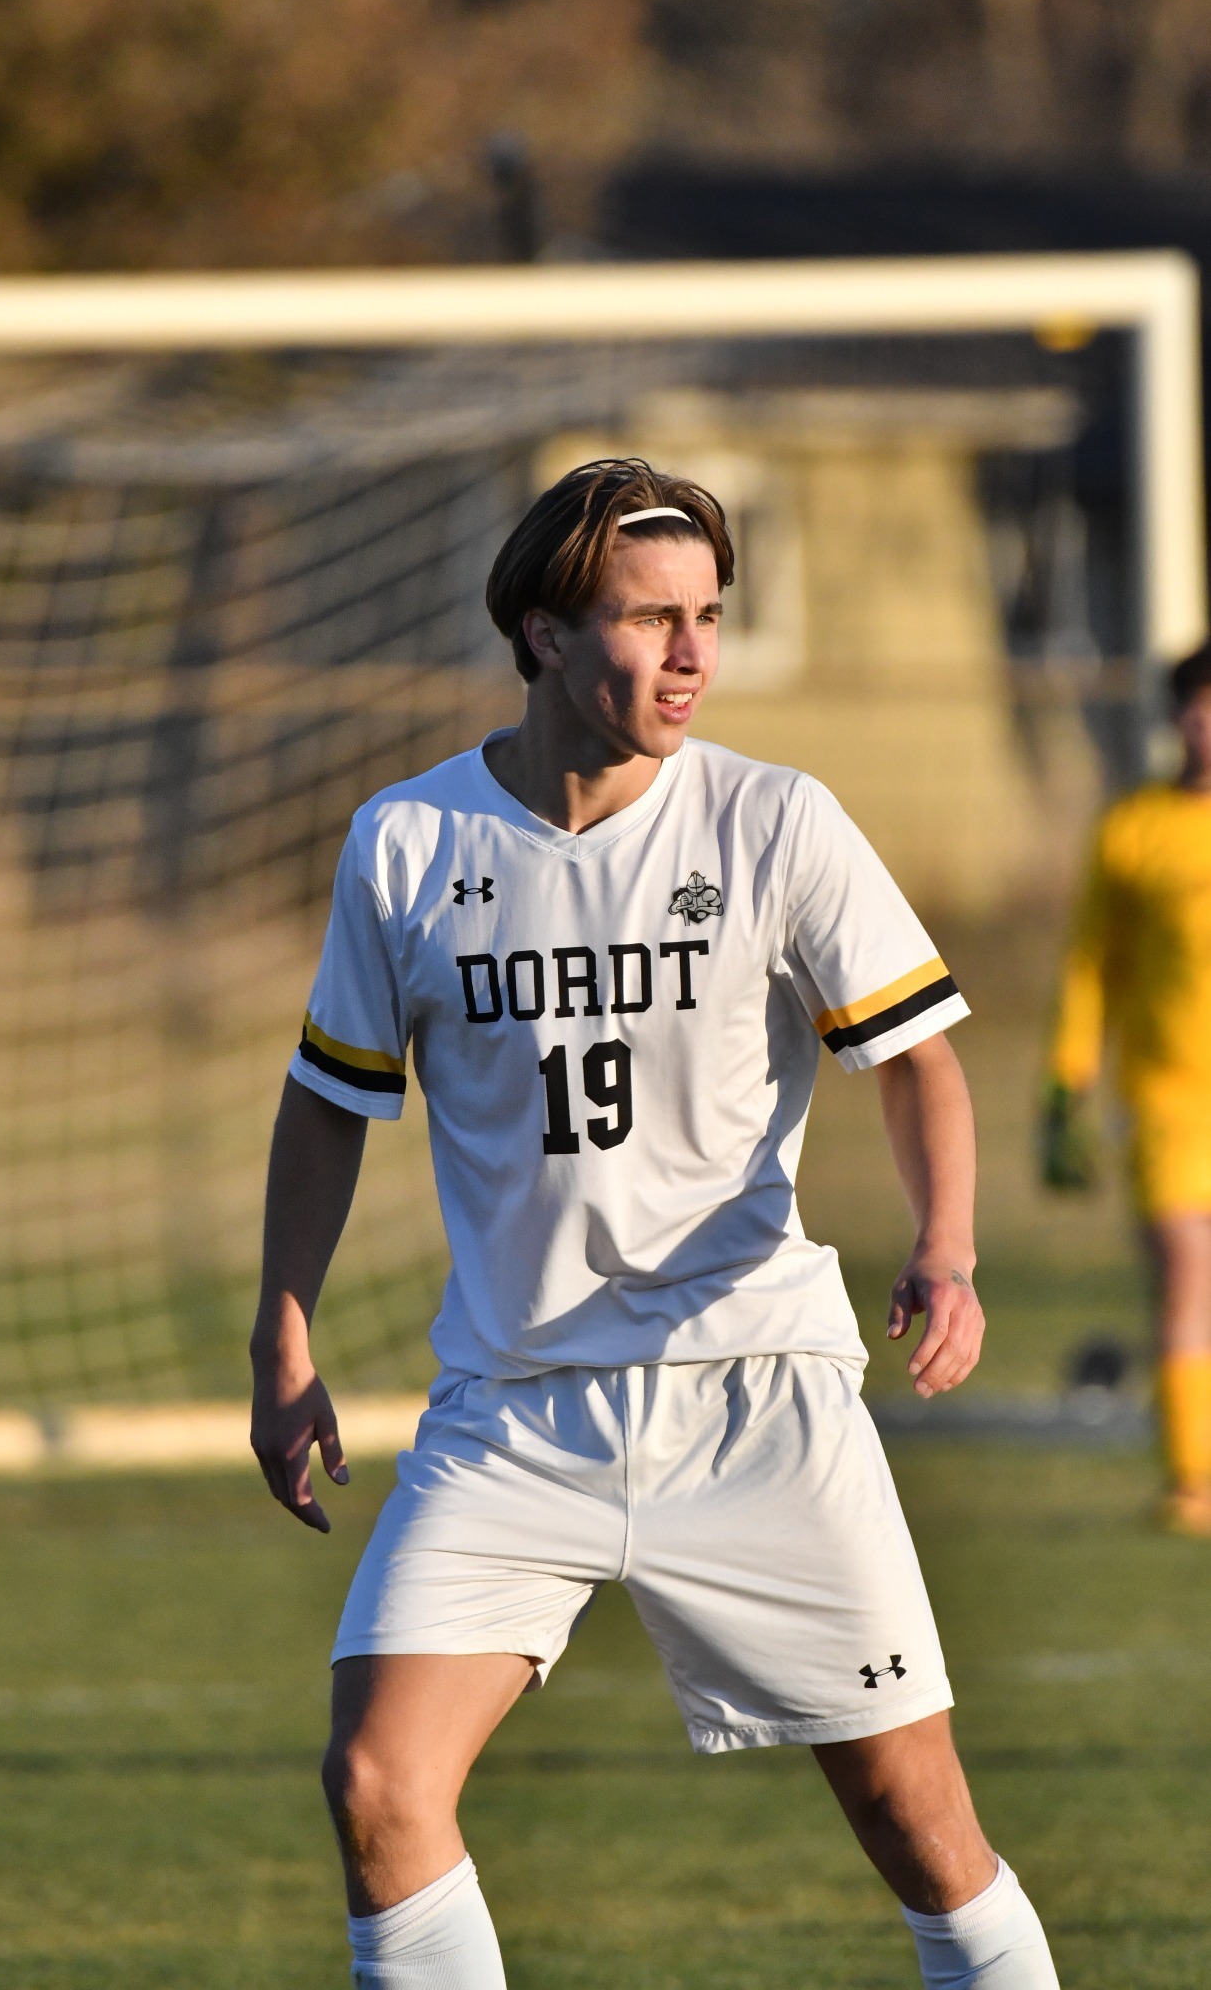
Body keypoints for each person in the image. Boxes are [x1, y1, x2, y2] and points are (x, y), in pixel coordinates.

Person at [251, 458, 1060, 1989]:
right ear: (545, 635)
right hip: (510, 1413)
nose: (693, 655)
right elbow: (329, 1100)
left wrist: (944, 1244)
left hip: (750, 1394)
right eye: (649, 619)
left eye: (709, 617)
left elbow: (916, 1057)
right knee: (376, 1789)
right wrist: (280, 1333)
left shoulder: (774, 821)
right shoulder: (407, 844)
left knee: (918, 1822)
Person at [1043, 643, 1211, 1538]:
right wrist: (1064, 1082)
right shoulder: (1133, 830)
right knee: (1188, 1278)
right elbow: (1088, 967)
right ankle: (1194, 1481)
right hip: (1170, 1103)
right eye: (1195, 705)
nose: (1204, 723)